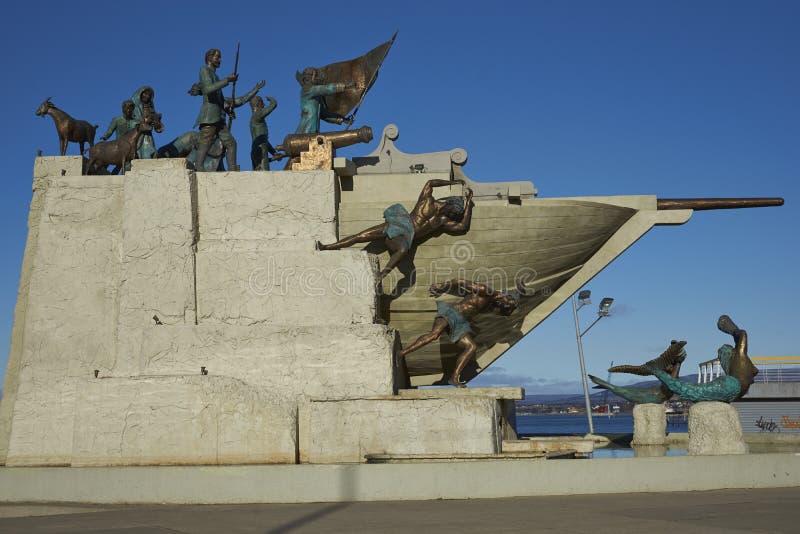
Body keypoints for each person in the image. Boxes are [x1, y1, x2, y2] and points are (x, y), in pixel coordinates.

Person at [318, 179, 474, 281]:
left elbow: (462, 227)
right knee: (361, 236)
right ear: (451, 204)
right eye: (456, 212)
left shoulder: (442, 221)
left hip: (405, 236)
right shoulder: (427, 201)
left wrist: (468, 205)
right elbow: (430, 183)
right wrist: (452, 182)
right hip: (400, 223)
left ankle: (381, 275)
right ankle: (328, 247)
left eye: (456, 214)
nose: (454, 215)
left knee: (403, 249)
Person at [399, 280, 519, 387]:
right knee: (434, 335)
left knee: (471, 347)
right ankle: (401, 353)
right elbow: (461, 282)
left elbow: (504, 313)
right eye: (509, 305)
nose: (507, 307)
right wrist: (442, 286)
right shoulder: (486, 291)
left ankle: (454, 378)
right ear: (506, 297)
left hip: (460, 323)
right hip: (451, 312)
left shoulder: (493, 304)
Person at [647, 315, 759, 402]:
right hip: (735, 388)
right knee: (693, 390)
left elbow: (740, 339)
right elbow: (742, 334)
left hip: (735, 388)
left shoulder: (737, 363)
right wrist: (730, 327)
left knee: (692, 390)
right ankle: (658, 372)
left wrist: (728, 327)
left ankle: (657, 372)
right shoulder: (740, 359)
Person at [194, 48, 264, 171]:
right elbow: (207, 89)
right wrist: (227, 80)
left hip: (219, 120)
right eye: (217, 57)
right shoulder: (204, 70)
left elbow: (237, 101)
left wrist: (255, 90)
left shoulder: (216, 76)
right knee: (205, 144)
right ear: (210, 58)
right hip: (210, 117)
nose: (220, 60)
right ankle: (198, 168)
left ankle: (232, 170)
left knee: (231, 144)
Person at [295, 67, 354, 134]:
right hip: (305, 132)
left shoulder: (316, 99)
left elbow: (324, 114)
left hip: (313, 133)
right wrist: (345, 86)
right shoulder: (307, 89)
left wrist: (343, 119)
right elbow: (326, 89)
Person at [131, 86, 162, 159]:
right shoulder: (134, 107)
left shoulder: (150, 109)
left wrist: (157, 123)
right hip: (136, 134)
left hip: (147, 136)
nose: (147, 96)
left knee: (150, 151)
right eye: (145, 94)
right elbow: (131, 121)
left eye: (149, 95)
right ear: (140, 94)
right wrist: (145, 121)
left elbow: (157, 127)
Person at [249, 95, 277, 170]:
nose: (264, 105)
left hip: (258, 150)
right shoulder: (257, 115)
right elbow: (273, 105)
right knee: (264, 177)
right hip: (260, 151)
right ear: (258, 104)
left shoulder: (255, 118)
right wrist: (273, 102)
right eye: (262, 103)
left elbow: (264, 141)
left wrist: (274, 153)